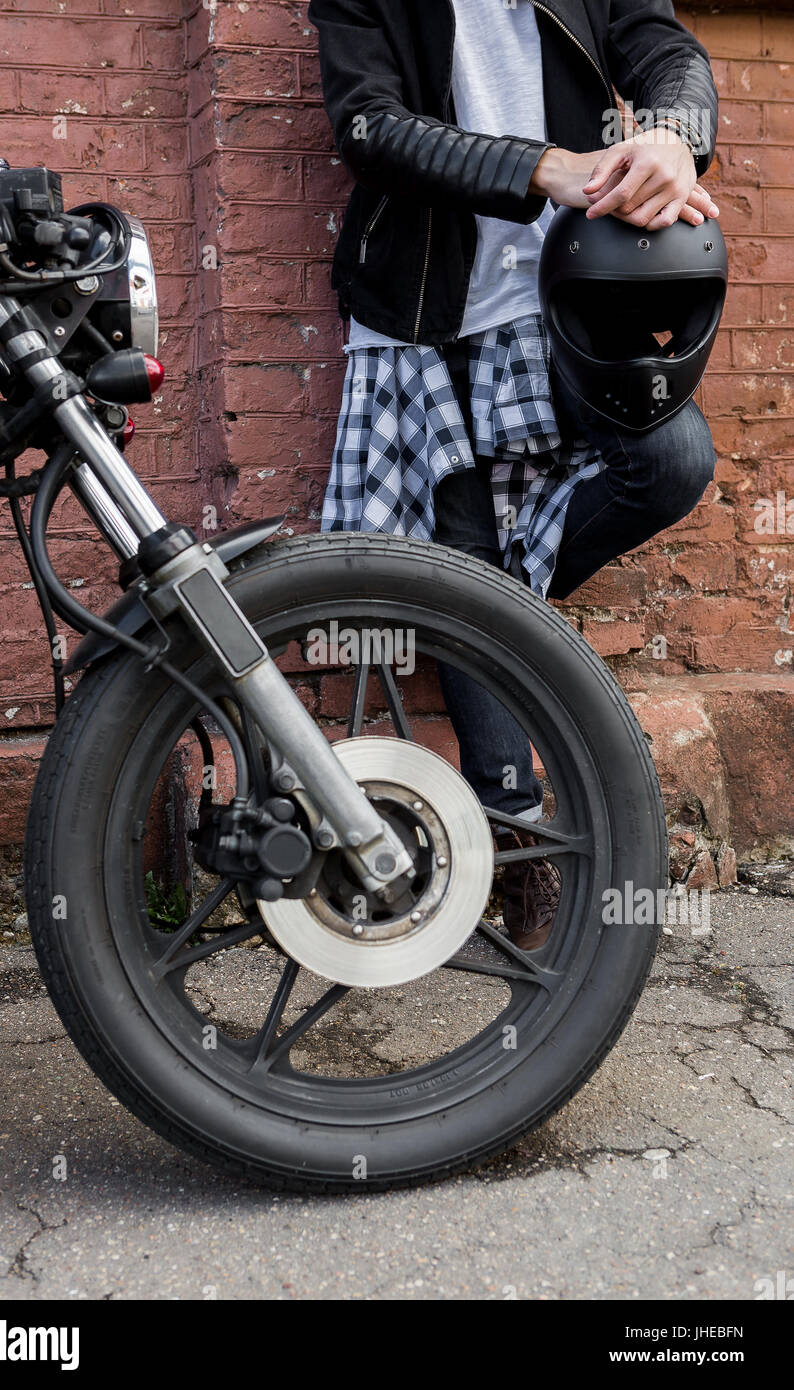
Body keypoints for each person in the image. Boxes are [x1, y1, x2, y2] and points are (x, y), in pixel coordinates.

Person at [309, 0, 720, 947]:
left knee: (668, 459)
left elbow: (667, 52)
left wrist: (671, 136)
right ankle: (517, 837)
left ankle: (503, 606)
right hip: (425, 303)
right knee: (462, 554)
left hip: (574, 290)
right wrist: (545, 166)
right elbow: (368, 125)